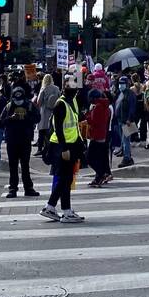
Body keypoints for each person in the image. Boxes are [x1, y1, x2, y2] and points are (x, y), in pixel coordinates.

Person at [41, 74, 86, 223]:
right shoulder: (60, 104)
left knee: (67, 179)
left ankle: (64, 210)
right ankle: (51, 207)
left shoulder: (72, 101)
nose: (72, 88)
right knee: (64, 179)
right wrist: (64, 148)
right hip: (61, 146)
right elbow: (58, 128)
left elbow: (75, 121)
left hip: (71, 144)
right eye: (69, 86)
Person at [0, 85, 39, 199]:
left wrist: (27, 117)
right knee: (13, 166)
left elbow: (37, 118)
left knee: (25, 165)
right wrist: (11, 118)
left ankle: (28, 188)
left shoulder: (29, 105)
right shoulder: (9, 106)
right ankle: (13, 189)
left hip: (25, 139)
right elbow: (1, 121)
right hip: (12, 140)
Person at [85, 83, 112, 188]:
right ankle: (98, 176)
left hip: (97, 135)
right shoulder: (104, 106)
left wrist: (87, 116)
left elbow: (94, 121)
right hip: (101, 135)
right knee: (98, 158)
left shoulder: (98, 107)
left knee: (89, 158)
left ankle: (101, 174)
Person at [34, 74, 59, 154]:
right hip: (53, 112)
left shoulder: (43, 89)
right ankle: (50, 149)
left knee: (41, 132)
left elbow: (39, 102)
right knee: (51, 132)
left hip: (44, 112)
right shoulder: (56, 88)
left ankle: (40, 149)